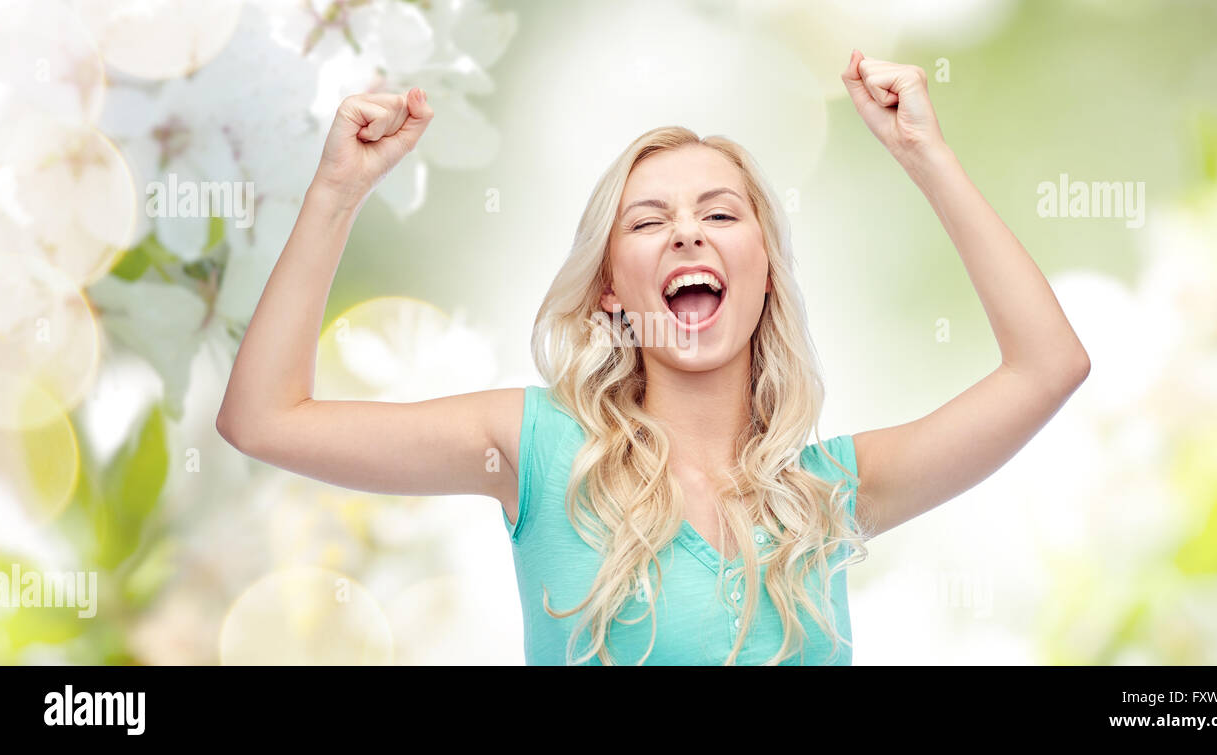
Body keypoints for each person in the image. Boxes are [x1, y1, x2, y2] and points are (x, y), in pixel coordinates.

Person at [216, 49, 1090, 665]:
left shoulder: (828, 495)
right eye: (647, 221)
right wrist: (335, 191)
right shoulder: (536, 447)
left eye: (718, 214)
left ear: (763, 274)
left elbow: (1049, 366)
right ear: (610, 290)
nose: (685, 232)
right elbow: (263, 417)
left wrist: (924, 154)